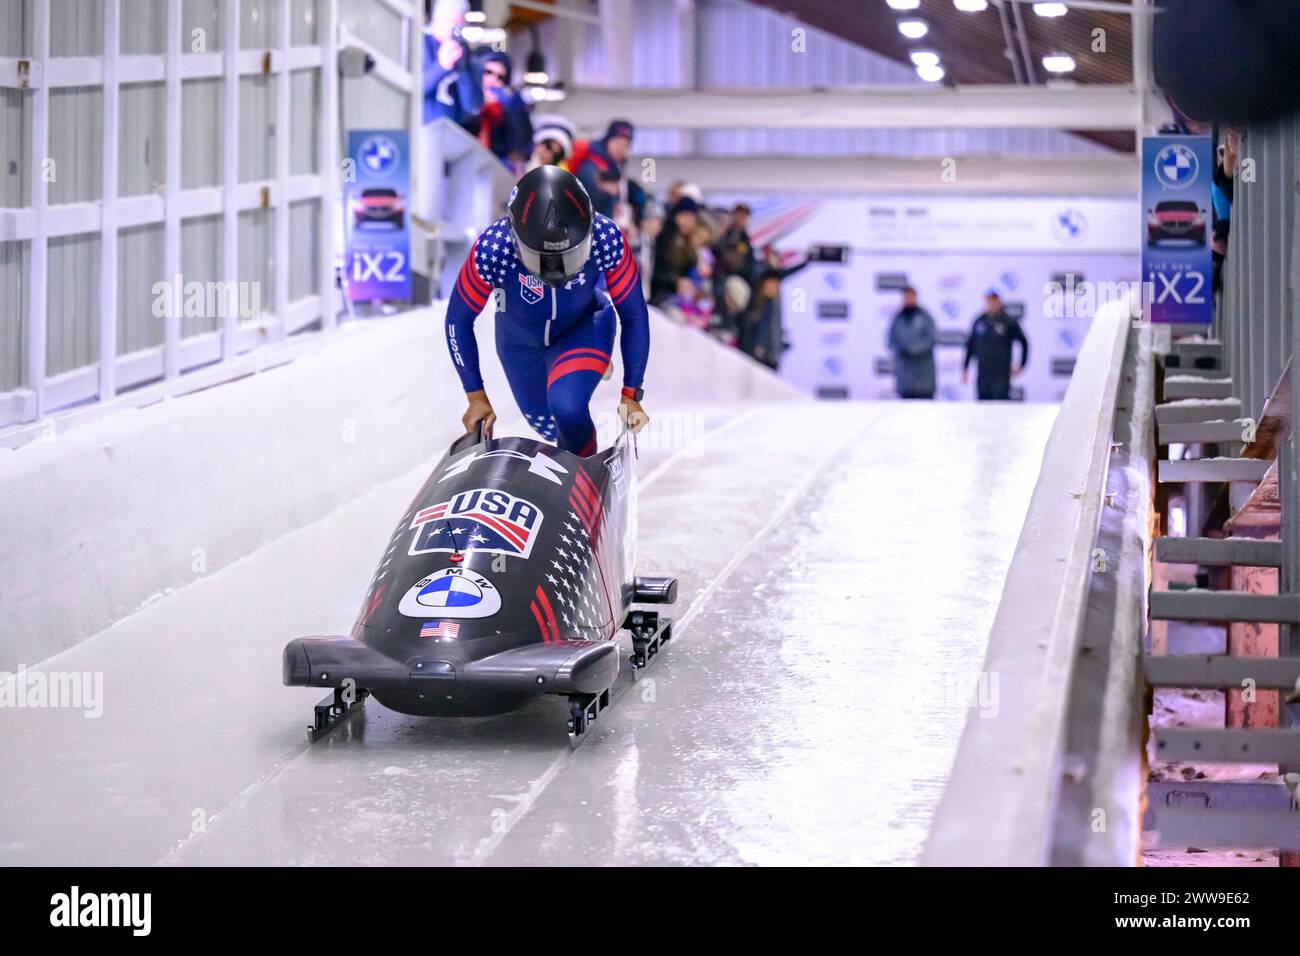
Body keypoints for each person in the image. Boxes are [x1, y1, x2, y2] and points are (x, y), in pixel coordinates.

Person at [444, 165, 650, 456]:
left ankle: (583, 482)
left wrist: (631, 392)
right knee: (547, 425)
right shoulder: (493, 250)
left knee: (567, 408)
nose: (558, 271)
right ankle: (579, 370)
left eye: (571, 255)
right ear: (516, 240)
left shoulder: (607, 238)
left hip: (583, 326)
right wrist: (475, 395)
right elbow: (458, 320)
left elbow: (633, 314)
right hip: (520, 347)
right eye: (543, 258)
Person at [460, 50, 532, 172]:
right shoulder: (463, 96)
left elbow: (520, 144)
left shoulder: (508, 106)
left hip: (494, 168)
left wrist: (510, 106)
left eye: (500, 77)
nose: (493, 80)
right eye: (488, 72)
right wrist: (478, 104)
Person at [422, 0, 480, 127]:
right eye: (451, 23)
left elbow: (472, 105)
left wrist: (463, 68)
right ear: (436, 21)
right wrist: (441, 67)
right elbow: (415, 90)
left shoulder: (465, 52)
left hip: (452, 133)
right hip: (421, 131)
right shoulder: (422, 44)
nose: (455, 30)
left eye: (460, 25)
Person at [962, 291, 1028, 401]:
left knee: (1000, 406)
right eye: (989, 301)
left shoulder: (1008, 322)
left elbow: (1024, 342)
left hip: (1001, 374)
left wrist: (1021, 364)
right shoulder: (979, 321)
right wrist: (965, 368)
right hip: (983, 372)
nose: (992, 304)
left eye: (994, 301)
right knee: (982, 406)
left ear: (999, 302)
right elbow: (970, 346)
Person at [574, 120, 634, 218]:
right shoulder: (591, 167)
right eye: (618, 143)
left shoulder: (614, 166)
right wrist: (606, 193)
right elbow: (583, 204)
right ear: (608, 140)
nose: (621, 149)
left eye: (626, 146)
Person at [887, 286, 937, 400]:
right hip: (905, 380)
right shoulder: (897, 318)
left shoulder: (925, 317)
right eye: (906, 296)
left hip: (924, 379)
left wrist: (913, 350)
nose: (908, 299)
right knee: (905, 414)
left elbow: (931, 339)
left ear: (916, 297)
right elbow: (891, 341)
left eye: (911, 296)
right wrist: (901, 349)